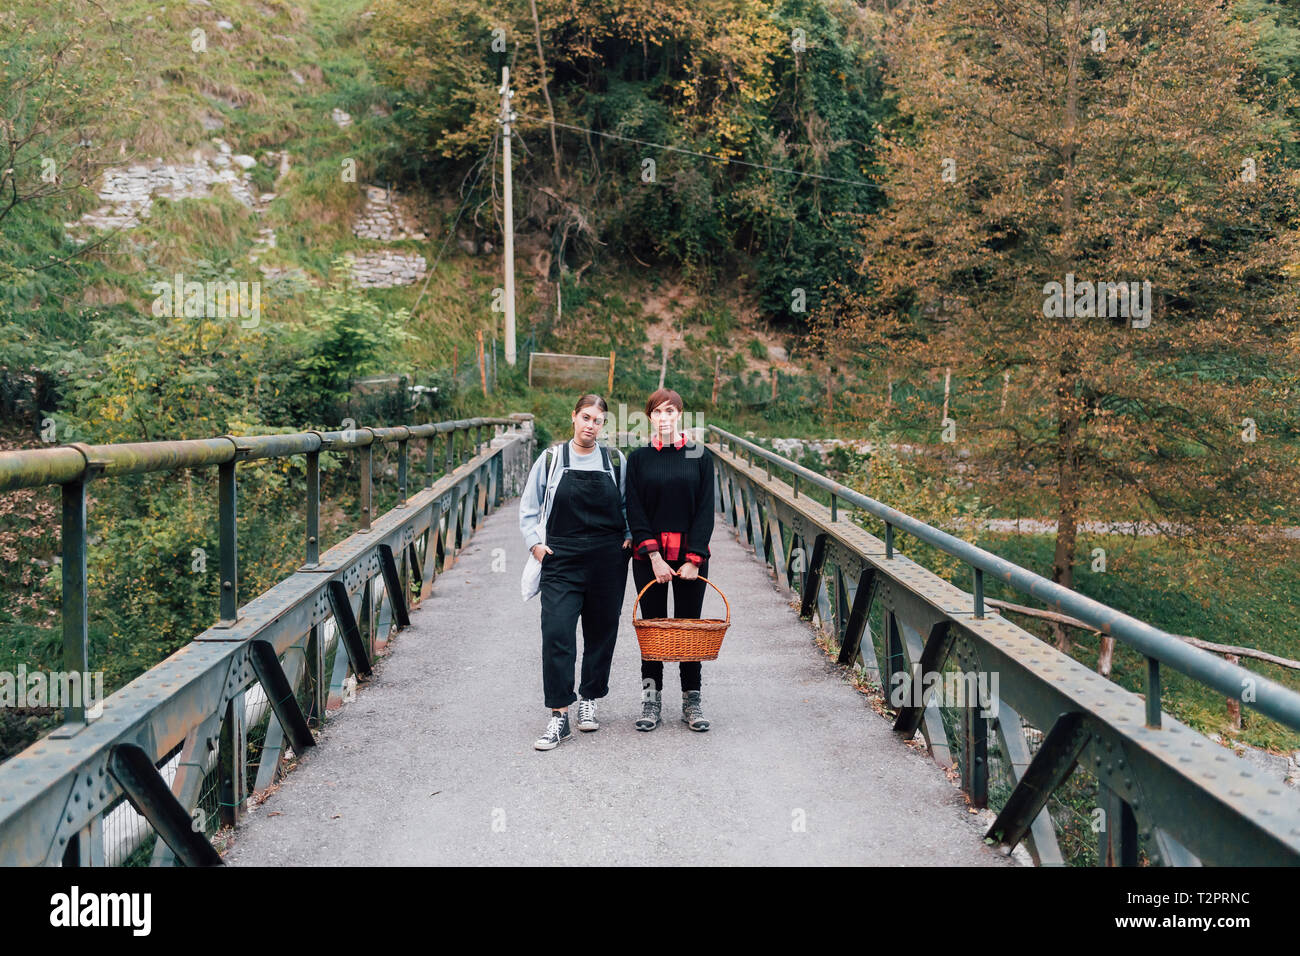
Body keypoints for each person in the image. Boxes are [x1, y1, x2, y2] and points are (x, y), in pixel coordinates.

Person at [518, 394, 632, 750]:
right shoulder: (552, 459)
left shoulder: (615, 460)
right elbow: (529, 506)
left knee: (601, 633)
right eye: (585, 417)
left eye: (597, 420)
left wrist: (628, 537)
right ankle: (558, 716)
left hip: (607, 559)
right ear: (574, 417)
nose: (590, 425)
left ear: (603, 425)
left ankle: (589, 700)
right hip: (561, 558)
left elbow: (628, 504)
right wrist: (535, 545)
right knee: (556, 633)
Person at [624, 388, 716, 732]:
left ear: (680, 415)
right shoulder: (639, 459)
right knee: (652, 630)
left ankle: (692, 701)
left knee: (689, 629)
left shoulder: (699, 456)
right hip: (649, 559)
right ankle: (651, 701)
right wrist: (655, 557)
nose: (664, 417)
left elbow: (706, 510)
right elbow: (635, 509)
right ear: (649, 416)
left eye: (670, 411)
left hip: (690, 558)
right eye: (657, 411)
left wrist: (694, 559)